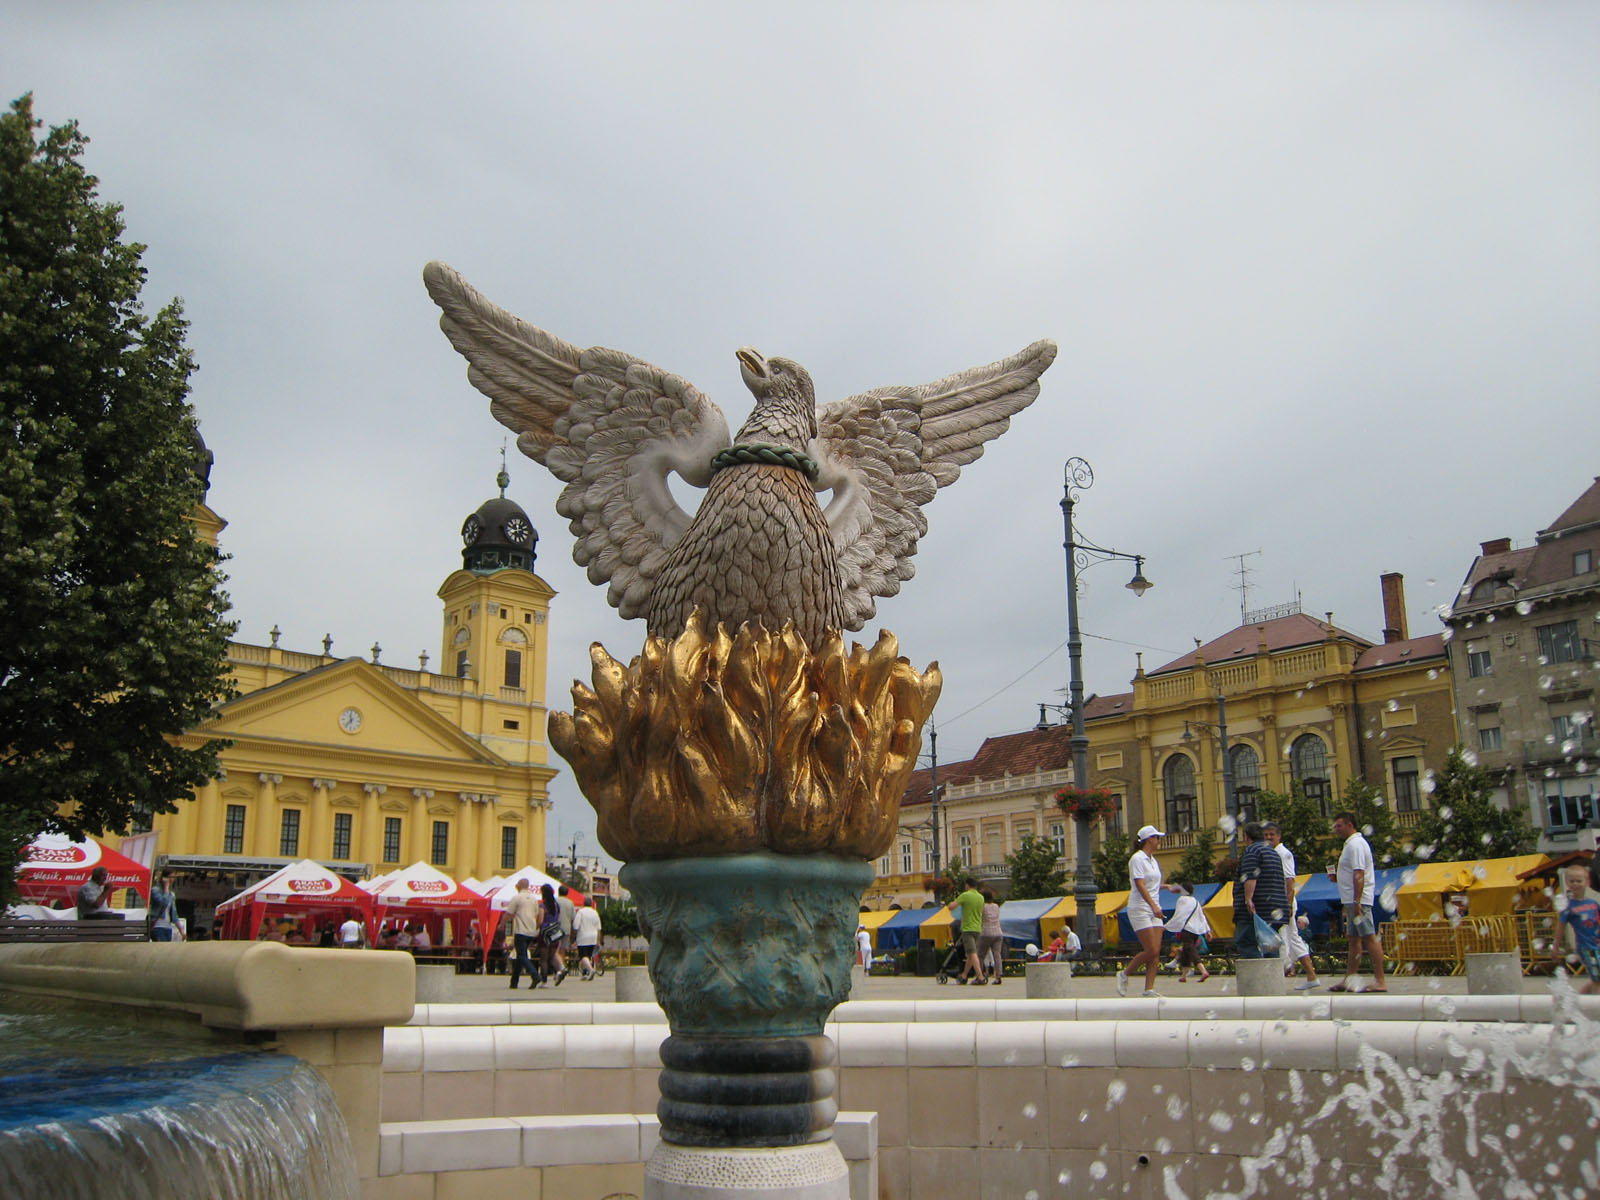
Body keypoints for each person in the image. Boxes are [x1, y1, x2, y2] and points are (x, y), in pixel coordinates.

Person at [1328, 811, 1387, 993]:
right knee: (1353, 939)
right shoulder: (1350, 845)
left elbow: (1359, 873)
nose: (1336, 829)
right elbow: (1353, 874)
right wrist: (1338, 878)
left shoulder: (1356, 845)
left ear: (1349, 825)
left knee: (1369, 936)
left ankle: (1380, 980)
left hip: (1358, 900)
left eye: (1339, 825)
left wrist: (1357, 901)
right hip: (1352, 899)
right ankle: (1349, 979)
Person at [1263, 821, 1321, 990]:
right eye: (1266, 835)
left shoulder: (1283, 853)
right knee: (1293, 939)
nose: (1268, 838)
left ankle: (1278, 977)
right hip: (1280, 903)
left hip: (1283, 903)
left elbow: (1290, 880)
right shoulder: (1273, 853)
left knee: (1281, 939)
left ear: (1279, 836)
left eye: (1271, 835)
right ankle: (1311, 975)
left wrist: (1287, 904)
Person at [1118, 825, 1169, 998]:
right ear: (1149, 839)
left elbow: (1150, 884)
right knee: (1151, 949)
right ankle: (1125, 974)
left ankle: (1149, 989)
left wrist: (1166, 887)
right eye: (1157, 837)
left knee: (1156, 951)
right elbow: (1139, 885)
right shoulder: (1137, 859)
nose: (1159, 841)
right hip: (1140, 907)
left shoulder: (1152, 860)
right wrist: (1153, 906)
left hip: (1154, 907)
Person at [1234, 821, 1289, 959]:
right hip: (1275, 907)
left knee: (1246, 941)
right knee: (1270, 943)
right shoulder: (1272, 852)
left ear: (1246, 836)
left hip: (1257, 908)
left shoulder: (1252, 851)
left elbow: (1250, 876)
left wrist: (1248, 899)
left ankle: (1258, 978)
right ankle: (1272, 977)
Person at [1558, 861, 1600, 995]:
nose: (1575, 884)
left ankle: (1577, 1003)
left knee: (1597, 978)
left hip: (1597, 945)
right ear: (1567, 883)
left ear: (1587, 882)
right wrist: (1555, 946)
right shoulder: (1568, 906)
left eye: (1579, 881)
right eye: (1572, 881)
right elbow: (1560, 927)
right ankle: (1596, 1009)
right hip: (1586, 947)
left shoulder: (1593, 903)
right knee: (1597, 978)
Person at [1164, 882, 1212, 984]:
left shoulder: (1182, 900)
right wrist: (1207, 930)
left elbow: (1179, 915)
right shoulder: (1195, 901)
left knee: (1190, 949)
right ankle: (1183, 976)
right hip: (1196, 930)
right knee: (1186, 951)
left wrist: (1167, 926)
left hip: (1187, 929)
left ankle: (1203, 971)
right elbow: (1201, 916)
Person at [947, 878, 987, 984]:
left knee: (972, 953)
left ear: (968, 886)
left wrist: (950, 903)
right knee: (970, 954)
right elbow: (982, 912)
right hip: (978, 928)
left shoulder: (965, 895)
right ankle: (964, 975)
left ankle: (980, 977)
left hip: (968, 928)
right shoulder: (981, 897)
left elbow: (951, 907)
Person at [505, 878, 542, 989]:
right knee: (521, 955)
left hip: (521, 931)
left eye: (517, 884)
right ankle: (514, 982)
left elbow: (509, 913)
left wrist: (502, 924)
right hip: (531, 931)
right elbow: (537, 914)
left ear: (520, 885)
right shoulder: (534, 899)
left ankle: (535, 975)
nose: (516, 885)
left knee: (521, 955)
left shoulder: (517, 898)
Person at [539, 883, 565, 985]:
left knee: (544, 959)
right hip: (555, 933)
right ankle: (558, 971)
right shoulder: (556, 905)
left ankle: (544, 981)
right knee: (552, 956)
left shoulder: (542, 905)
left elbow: (540, 921)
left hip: (544, 933)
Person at [977, 890, 1004, 985]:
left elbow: (979, 918)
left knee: (980, 955)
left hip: (986, 933)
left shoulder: (982, 907)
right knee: (997, 955)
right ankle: (998, 976)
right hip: (998, 932)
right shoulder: (996, 906)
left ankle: (979, 975)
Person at [574, 898, 603, 981]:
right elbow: (599, 928)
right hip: (593, 937)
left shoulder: (581, 912)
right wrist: (598, 940)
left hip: (583, 937)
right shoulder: (595, 913)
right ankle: (586, 972)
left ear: (583, 903)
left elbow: (576, 925)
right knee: (589, 956)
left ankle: (591, 970)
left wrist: (574, 937)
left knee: (583, 956)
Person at [148, 871, 179, 942]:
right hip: (157, 926)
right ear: (164, 878)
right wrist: (166, 887)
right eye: (170, 877)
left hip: (167, 927)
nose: (172, 880)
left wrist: (181, 930)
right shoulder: (155, 890)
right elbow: (164, 903)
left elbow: (174, 913)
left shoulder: (171, 894)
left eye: (174, 877)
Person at [555, 885, 577, 984]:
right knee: (562, 950)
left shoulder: (555, 901)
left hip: (555, 928)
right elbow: (573, 918)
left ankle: (559, 969)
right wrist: (573, 932)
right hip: (567, 928)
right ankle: (560, 969)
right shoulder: (570, 902)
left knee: (554, 950)